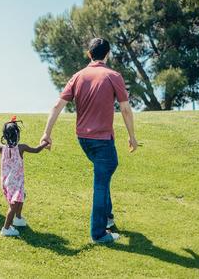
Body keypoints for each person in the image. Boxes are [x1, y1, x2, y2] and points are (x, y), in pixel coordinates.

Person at [40, 37, 138, 243]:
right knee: (103, 179)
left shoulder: (77, 76)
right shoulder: (114, 76)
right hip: (102, 140)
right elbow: (126, 110)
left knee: (104, 173)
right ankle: (99, 233)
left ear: (89, 54)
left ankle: (108, 217)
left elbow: (57, 106)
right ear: (108, 54)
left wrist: (46, 133)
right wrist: (132, 136)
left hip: (83, 139)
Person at [0, 116, 48, 236]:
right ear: (17, 134)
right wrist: (45, 143)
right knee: (13, 205)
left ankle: (18, 219)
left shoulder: (1, 148)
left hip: (7, 182)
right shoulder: (21, 148)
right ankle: (6, 228)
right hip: (15, 182)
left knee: (22, 196)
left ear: (5, 135)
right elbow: (36, 150)